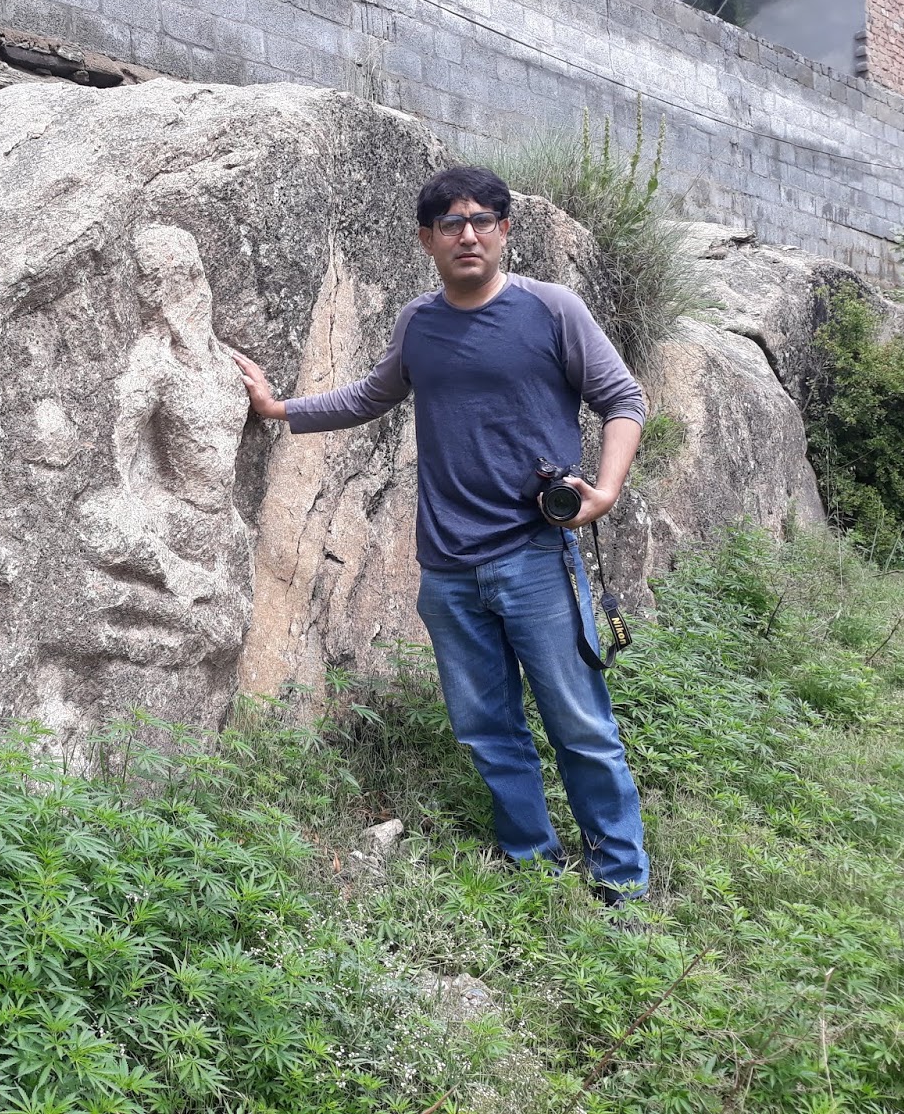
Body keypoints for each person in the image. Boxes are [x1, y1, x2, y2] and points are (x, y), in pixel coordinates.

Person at [232, 165, 650, 905]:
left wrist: (607, 491)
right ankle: (532, 861)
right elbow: (372, 393)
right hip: (449, 569)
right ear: (427, 239)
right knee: (487, 727)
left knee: (580, 725)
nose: (469, 234)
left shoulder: (552, 310)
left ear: (505, 231)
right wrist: (277, 408)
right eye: (452, 223)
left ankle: (621, 882)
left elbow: (622, 399)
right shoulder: (418, 323)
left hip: (536, 556)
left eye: (484, 220)